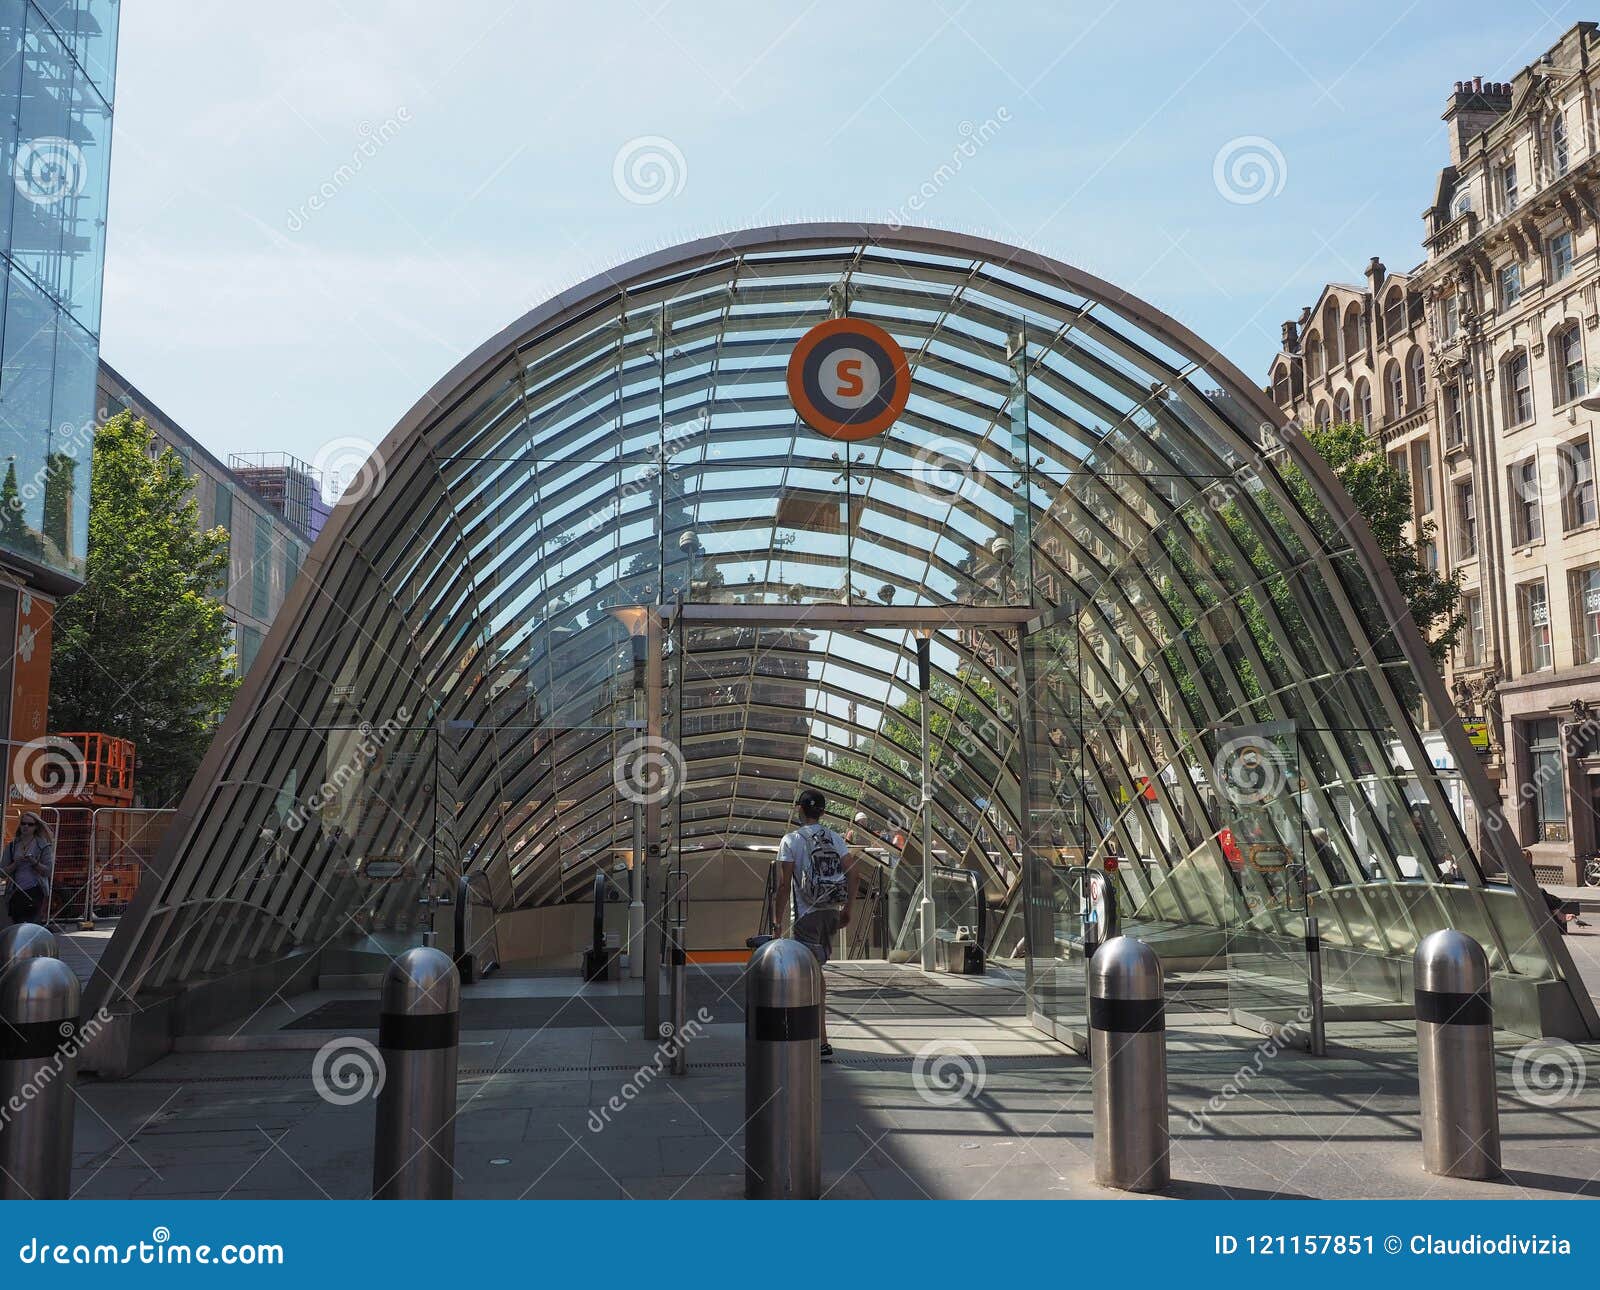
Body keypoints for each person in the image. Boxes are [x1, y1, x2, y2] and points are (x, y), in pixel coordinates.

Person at [775, 788, 855, 1061]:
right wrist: (848, 909)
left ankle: (817, 1039)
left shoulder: (791, 840)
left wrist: (777, 922)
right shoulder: (834, 837)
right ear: (822, 812)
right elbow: (852, 872)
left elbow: (784, 885)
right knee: (815, 972)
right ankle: (815, 1035)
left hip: (807, 915)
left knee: (807, 975)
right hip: (831, 912)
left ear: (800, 810)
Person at [2, 812, 54, 926]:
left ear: (36, 827)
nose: (26, 827)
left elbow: (48, 871)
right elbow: (2, 873)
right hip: (15, 892)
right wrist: (16, 863)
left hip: (36, 890)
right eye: (23, 823)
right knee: (17, 924)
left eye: (30, 824)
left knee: (31, 924)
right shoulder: (12, 846)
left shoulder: (43, 846)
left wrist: (34, 862)